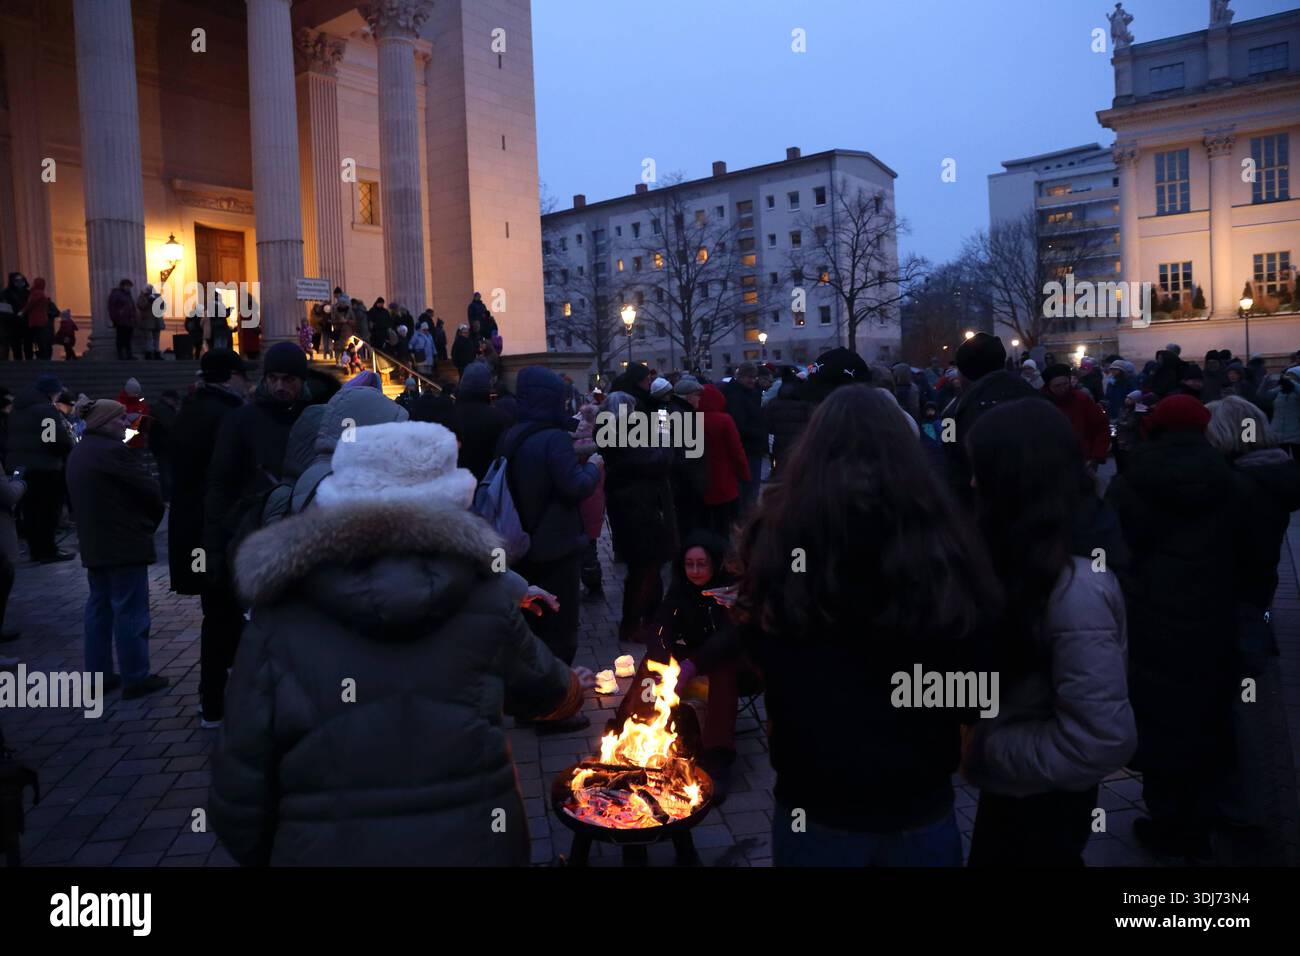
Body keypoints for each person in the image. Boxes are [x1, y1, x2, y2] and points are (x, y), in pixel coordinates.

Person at [209, 420, 596, 865]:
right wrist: (574, 689)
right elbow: (545, 691)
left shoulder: (281, 614)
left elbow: (238, 789)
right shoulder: (482, 600)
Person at [734, 386, 1000, 866]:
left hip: (816, 796)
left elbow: (762, 651)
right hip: (915, 796)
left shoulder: (778, 537)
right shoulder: (942, 541)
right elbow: (976, 685)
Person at [962, 399, 1137, 866]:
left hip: (1043, 798)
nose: (973, 482)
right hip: (1018, 792)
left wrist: (989, 747)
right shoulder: (1025, 553)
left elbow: (1101, 739)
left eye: (982, 470)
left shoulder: (1076, 585)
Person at [1105, 395, 1237, 860]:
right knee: (1207, 716)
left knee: (1159, 718)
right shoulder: (1228, 478)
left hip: (1151, 618)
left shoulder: (1131, 481)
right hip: (1214, 618)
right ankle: (1200, 818)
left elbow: (1115, 551)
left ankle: (1166, 818)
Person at [1207, 397, 1300, 843]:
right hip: (1256, 596)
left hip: (1235, 602)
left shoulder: (1242, 483)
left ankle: (1247, 807)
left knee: (1240, 708)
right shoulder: (1272, 470)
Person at [614, 530, 754, 799]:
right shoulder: (682, 590)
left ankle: (717, 759)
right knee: (651, 664)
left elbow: (730, 637)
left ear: (715, 563)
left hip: (738, 662)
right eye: (690, 564)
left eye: (702, 564)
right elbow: (660, 626)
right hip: (695, 655)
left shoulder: (731, 590)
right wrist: (662, 658)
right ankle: (633, 725)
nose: (695, 570)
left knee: (722, 671)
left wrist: (693, 664)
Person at [497, 368, 600, 703]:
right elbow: (575, 487)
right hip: (555, 547)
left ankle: (528, 703)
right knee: (560, 630)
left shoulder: (514, 434)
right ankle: (554, 708)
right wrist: (594, 467)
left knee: (530, 631)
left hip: (521, 545)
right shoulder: (553, 438)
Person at [65, 397, 169, 699]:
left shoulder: (81, 450)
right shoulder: (112, 451)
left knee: (99, 609)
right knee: (130, 610)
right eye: (120, 418)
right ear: (103, 422)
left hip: (95, 542)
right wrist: (148, 522)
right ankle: (136, 676)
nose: (126, 423)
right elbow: (149, 490)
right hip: (123, 541)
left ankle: (100, 675)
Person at [168, 350, 249, 725]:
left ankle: (212, 697)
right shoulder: (228, 416)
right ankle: (219, 700)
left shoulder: (188, 410)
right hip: (219, 530)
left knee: (216, 613)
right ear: (231, 377)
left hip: (191, 530)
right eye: (242, 377)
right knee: (226, 614)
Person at [602, 389, 676, 643]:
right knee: (644, 567)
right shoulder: (621, 434)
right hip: (638, 509)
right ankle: (633, 624)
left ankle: (647, 619)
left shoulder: (616, 432)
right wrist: (665, 433)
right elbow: (658, 461)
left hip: (634, 506)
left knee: (646, 567)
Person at [941, 332, 1043, 502]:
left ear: (966, 371)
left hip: (980, 504)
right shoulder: (1034, 395)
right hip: (1037, 501)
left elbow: (950, 453)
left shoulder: (953, 411)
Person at [5, 374, 75, 562]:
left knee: (29, 510)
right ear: (52, 392)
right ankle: (46, 550)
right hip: (43, 468)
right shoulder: (46, 410)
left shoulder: (17, 409)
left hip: (18, 466)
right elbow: (51, 440)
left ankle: (36, 549)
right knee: (46, 510)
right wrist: (68, 445)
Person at [697, 383, 750, 536]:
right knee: (724, 527)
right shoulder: (724, 420)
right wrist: (744, 475)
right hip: (724, 481)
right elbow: (737, 451)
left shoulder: (690, 419)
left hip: (699, 483)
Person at [1042, 364, 1110, 473]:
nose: (1063, 388)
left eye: (1065, 384)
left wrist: (1096, 456)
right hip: (1052, 464)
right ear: (1049, 386)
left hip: (1083, 460)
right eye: (1057, 386)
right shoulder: (1041, 404)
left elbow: (1101, 426)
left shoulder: (1081, 399)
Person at [452, 361, 513, 481]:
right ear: (488, 386)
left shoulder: (448, 416)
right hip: (489, 486)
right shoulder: (500, 418)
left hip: (456, 488)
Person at [721, 362, 766, 514]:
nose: (752, 380)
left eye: (754, 377)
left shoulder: (750, 393)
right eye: (749, 377)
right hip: (747, 449)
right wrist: (760, 432)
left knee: (750, 489)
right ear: (740, 377)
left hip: (752, 448)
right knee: (748, 490)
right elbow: (738, 425)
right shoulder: (736, 396)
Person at [763, 367, 812, 480]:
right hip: (800, 445)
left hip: (779, 446)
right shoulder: (804, 403)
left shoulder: (772, 404)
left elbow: (767, 426)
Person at [1264, 367, 1300, 459]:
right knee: (1281, 461)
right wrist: (1264, 382)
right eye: (1287, 376)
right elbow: (1263, 396)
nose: (1288, 378)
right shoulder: (1280, 390)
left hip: (1296, 433)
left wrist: (1292, 383)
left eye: (1292, 376)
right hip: (1278, 432)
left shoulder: (1297, 390)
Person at [18, 277, 56, 361]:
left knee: (37, 340)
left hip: (36, 321)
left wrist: (22, 312)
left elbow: (30, 304)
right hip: (41, 320)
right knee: (40, 340)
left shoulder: (36, 293)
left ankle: (40, 355)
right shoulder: (42, 294)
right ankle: (42, 355)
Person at [0, 273, 30, 361]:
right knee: (16, 346)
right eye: (17, 280)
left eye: (21, 280)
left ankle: (29, 363)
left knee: (27, 345)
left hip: (26, 322)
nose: (20, 282)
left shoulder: (28, 293)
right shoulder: (6, 293)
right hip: (11, 323)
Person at [117, 378, 151, 452]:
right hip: (122, 443)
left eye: (137, 393)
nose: (135, 395)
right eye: (133, 393)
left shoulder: (141, 404)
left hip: (137, 443)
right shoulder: (118, 404)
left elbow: (146, 422)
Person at [108, 278, 137, 360]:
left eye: (130, 287)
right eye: (128, 286)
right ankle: (121, 355)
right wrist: (115, 318)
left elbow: (132, 307)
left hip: (129, 321)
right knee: (120, 338)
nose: (129, 288)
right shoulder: (116, 294)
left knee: (128, 339)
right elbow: (112, 307)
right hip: (120, 320)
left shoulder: (128, 295)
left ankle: (129, 354)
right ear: (123, 286)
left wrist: (134, 318)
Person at [136, 284, 164, 360]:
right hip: (147, 320)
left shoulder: (157, 296)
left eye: (151, 288)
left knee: (157, 338)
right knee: (149, 338)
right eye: (148, 288)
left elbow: (163, 306)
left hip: (157, 320)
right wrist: (148, 301)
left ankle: (157, 352)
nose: (150, 290)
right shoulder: (142, 296)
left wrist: (157, 302)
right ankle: (149, 353)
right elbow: (140, 306)